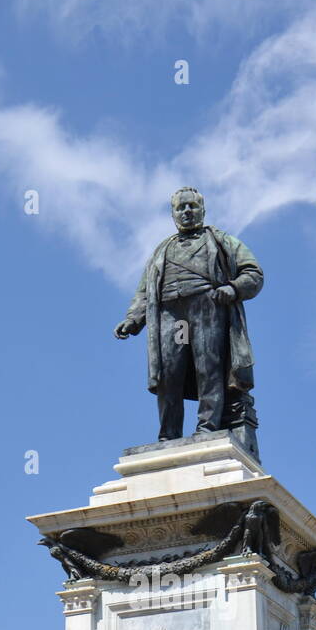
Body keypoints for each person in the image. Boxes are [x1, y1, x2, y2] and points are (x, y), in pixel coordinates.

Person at [114, 188, 263, 442]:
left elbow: (253, 273)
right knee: (170, 371)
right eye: (180, 208)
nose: (186, 212)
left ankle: (207, 426)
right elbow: (145, 291)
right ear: (173, 214)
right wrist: (133, 319)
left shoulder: (220, 241)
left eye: (192, 206)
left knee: (208, 366)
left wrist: (233, 288)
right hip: (173, 315)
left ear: (202, 210)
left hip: (206, 307)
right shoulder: (162, 249)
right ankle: (168, 434)